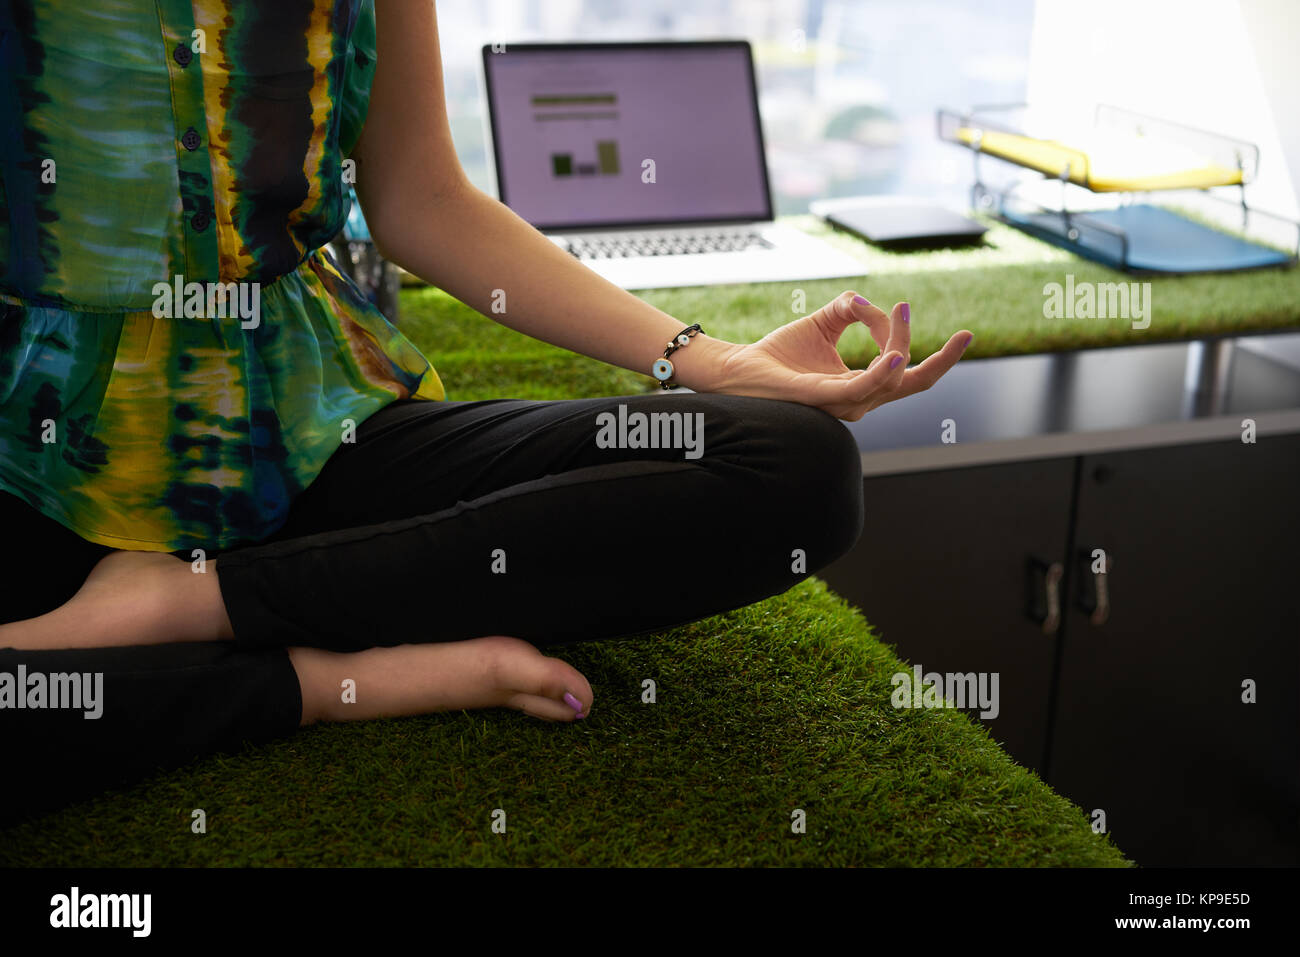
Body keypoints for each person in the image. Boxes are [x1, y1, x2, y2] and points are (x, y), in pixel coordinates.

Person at [0, 0, 971, 822]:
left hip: (308, 426)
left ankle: (191, 604)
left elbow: (422, 199)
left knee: (793, 469)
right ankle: (349, 680)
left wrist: (709, 361)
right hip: (32, 458)